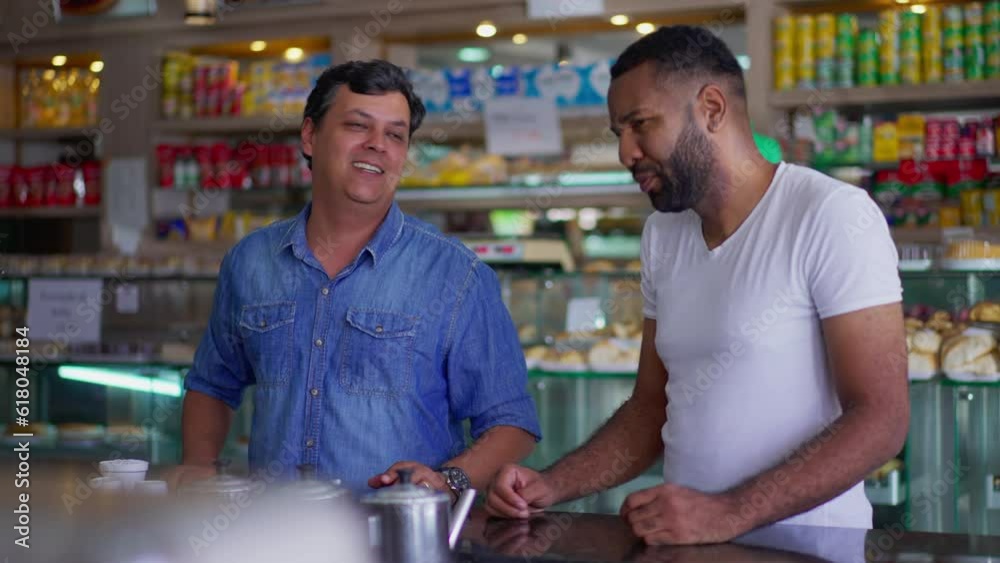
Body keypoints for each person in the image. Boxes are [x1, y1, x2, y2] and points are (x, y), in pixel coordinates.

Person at [486, 25, 908, 545]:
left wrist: (728, 513)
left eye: (640, 125)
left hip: (809, 549)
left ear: (711, 108)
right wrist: (551, 484)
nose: (626, 153)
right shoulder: (664, 233)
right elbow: (650, 406)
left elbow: (882, 417)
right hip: (688, 547)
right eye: (618, 133)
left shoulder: (830, 215)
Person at [173, 60, 540, 499]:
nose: (377, 146)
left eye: (395, 135)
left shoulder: (456, 275)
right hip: (276, 533)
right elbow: (212, 384)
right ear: (310, 135)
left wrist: (449, 480)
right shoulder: (250, 262)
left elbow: (512, 421)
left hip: (400, 536)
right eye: (357, 126)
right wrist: (197, 465)